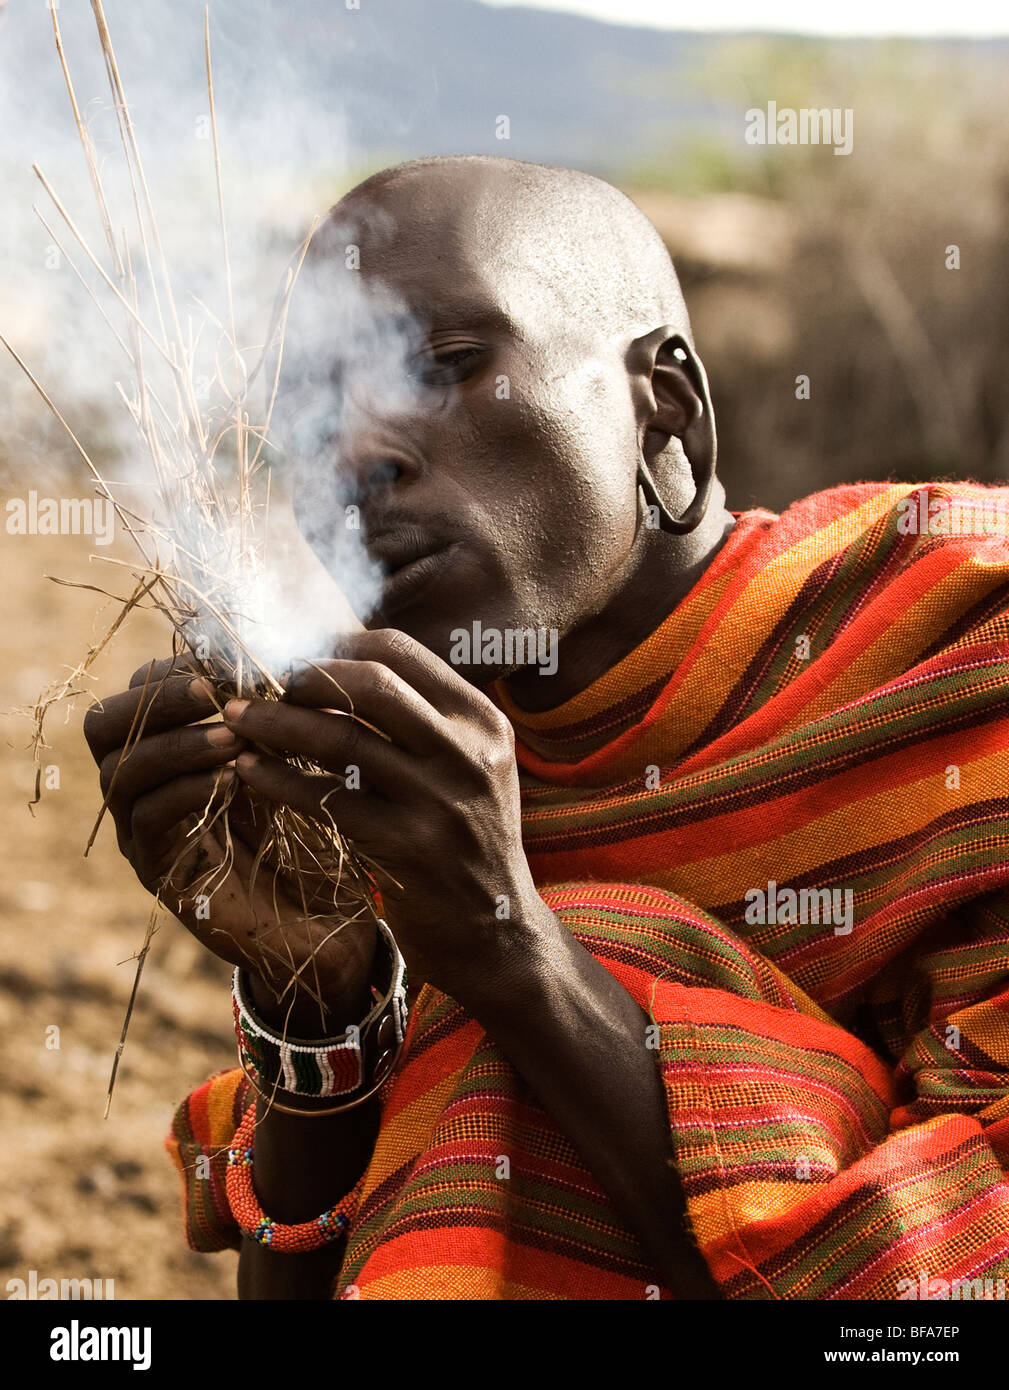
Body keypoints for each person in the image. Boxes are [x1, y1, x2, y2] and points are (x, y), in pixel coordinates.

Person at [84, 156, 1009, 1301]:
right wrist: (319, 995)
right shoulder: (403, 772)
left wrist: (516, 950)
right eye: (315, 413)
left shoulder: (965, 631)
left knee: (597, 948)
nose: (358, 455)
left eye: (446, 366)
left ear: (662, 402)